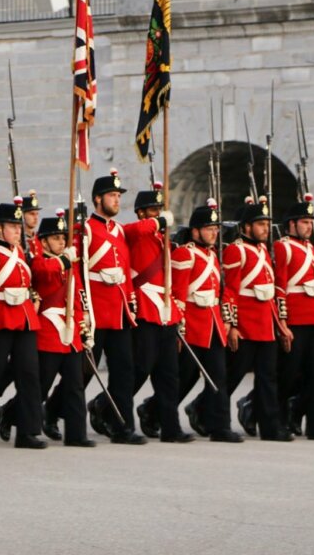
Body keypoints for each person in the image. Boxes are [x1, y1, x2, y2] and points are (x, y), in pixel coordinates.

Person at [59, 169, 144, 445]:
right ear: (98, 199)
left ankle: (122, 426)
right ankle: (51, 411)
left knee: (124, 371)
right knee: (82, 373)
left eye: (119, 196)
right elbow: (76, 271)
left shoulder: (118, 230)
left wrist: (130, 305)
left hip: (118, 311)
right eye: (112, 195)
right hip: (95, 311)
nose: (117, 200)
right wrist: (81, 310)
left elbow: (124, 269)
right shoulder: (84, 228)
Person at [0, 198, 46, 449]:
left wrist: (34, 298)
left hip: (24, 319)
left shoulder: (20, 252)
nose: (17, 230)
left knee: (29, 375)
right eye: (12, 226)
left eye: (18, 226)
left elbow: (27, 283)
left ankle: (28, 432)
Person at [222, 196, 292, 442]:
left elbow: (271, 291)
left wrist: (280, 324)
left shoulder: (264, 250)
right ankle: (208, 411)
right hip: (245, 324)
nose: (265, 228)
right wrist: (231, 325)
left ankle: (270, 427)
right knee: (233, 375)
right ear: (246, 227)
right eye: (260, 223)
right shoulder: (235, 250)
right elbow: (229, 291)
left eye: (266, 223)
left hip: (265, 325)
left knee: (267, 378)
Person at [273, 194, 314, 441]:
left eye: (310, 223)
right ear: (291, 224)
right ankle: (277, 421)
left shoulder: (312, 249)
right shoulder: (282, 246)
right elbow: (279, 287)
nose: (309, 227)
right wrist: (282, 323)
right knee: (288, 375)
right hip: (295, 320)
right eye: (304, 222)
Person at [128, 182, 192, 443]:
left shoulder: (161, 239)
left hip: (164, 311)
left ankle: (170, 427)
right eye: (152, 210)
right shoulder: (136, 232)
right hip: (144, 308)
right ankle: (107, 405)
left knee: (169, 374)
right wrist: (159, 222)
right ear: (141, 213)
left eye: (159, 210)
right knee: (142, 367)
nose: (156, 214)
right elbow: (135, 231)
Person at [175, 200, 243, 443]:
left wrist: (226, 320)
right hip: (192, 324)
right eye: (209, 228)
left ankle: (219, 426)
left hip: (212, 323)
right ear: (195, 231)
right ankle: (156, 412)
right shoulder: (184, 253)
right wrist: (179, 328)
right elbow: (179, 294)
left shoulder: (212, 255)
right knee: (185, 376)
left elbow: (219, 290)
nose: (215, 232)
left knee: (218, 376)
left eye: (216, 228)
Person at [25, 210, 93, 447]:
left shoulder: (67, 264)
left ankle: (76, 434)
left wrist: (83, 328)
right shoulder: (41, 261)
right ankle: (17, 417)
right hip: (48, 332)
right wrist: (65, 259)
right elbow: (43, 272)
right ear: (43, 241)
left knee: (75, 386)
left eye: (63, 238)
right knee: (41, 386)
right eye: (56, 238)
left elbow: (75, 299)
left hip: (69, 332)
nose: (62, 242)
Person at [22, 190, 42, 257]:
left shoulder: (39, 238)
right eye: (32, 214)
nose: (36, 217)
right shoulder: (18, 240)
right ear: (23, 215)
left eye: (37, 214)